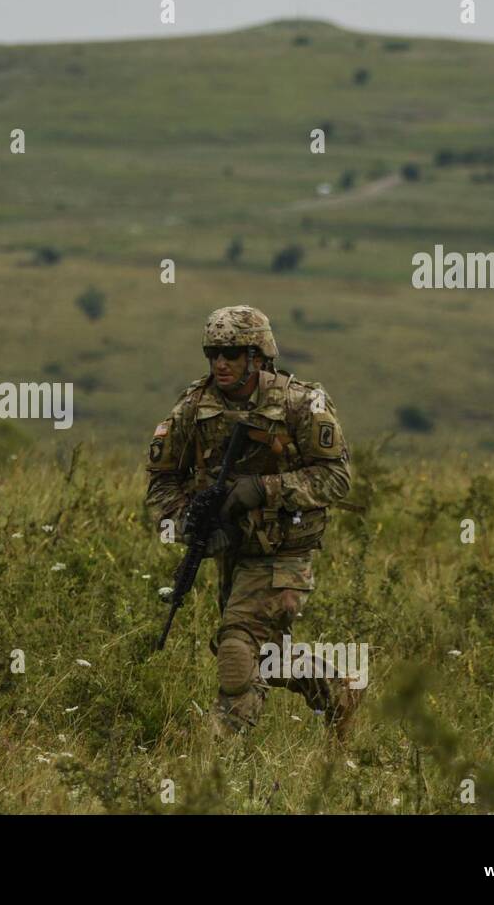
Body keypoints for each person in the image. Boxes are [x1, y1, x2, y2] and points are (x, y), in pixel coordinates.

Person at [146, 305, 360, 735]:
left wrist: (265, 489)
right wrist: (191, 520)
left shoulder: (300, 403)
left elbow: (337, 478)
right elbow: (163, 480)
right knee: (261, 653)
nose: (220, 364)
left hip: (286, 550)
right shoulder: (194, 407)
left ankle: (217, 757)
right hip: (235, 552)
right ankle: (338, 688)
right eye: (213, 354)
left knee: (237, 643)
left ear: (258, 356)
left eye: (233, 353)